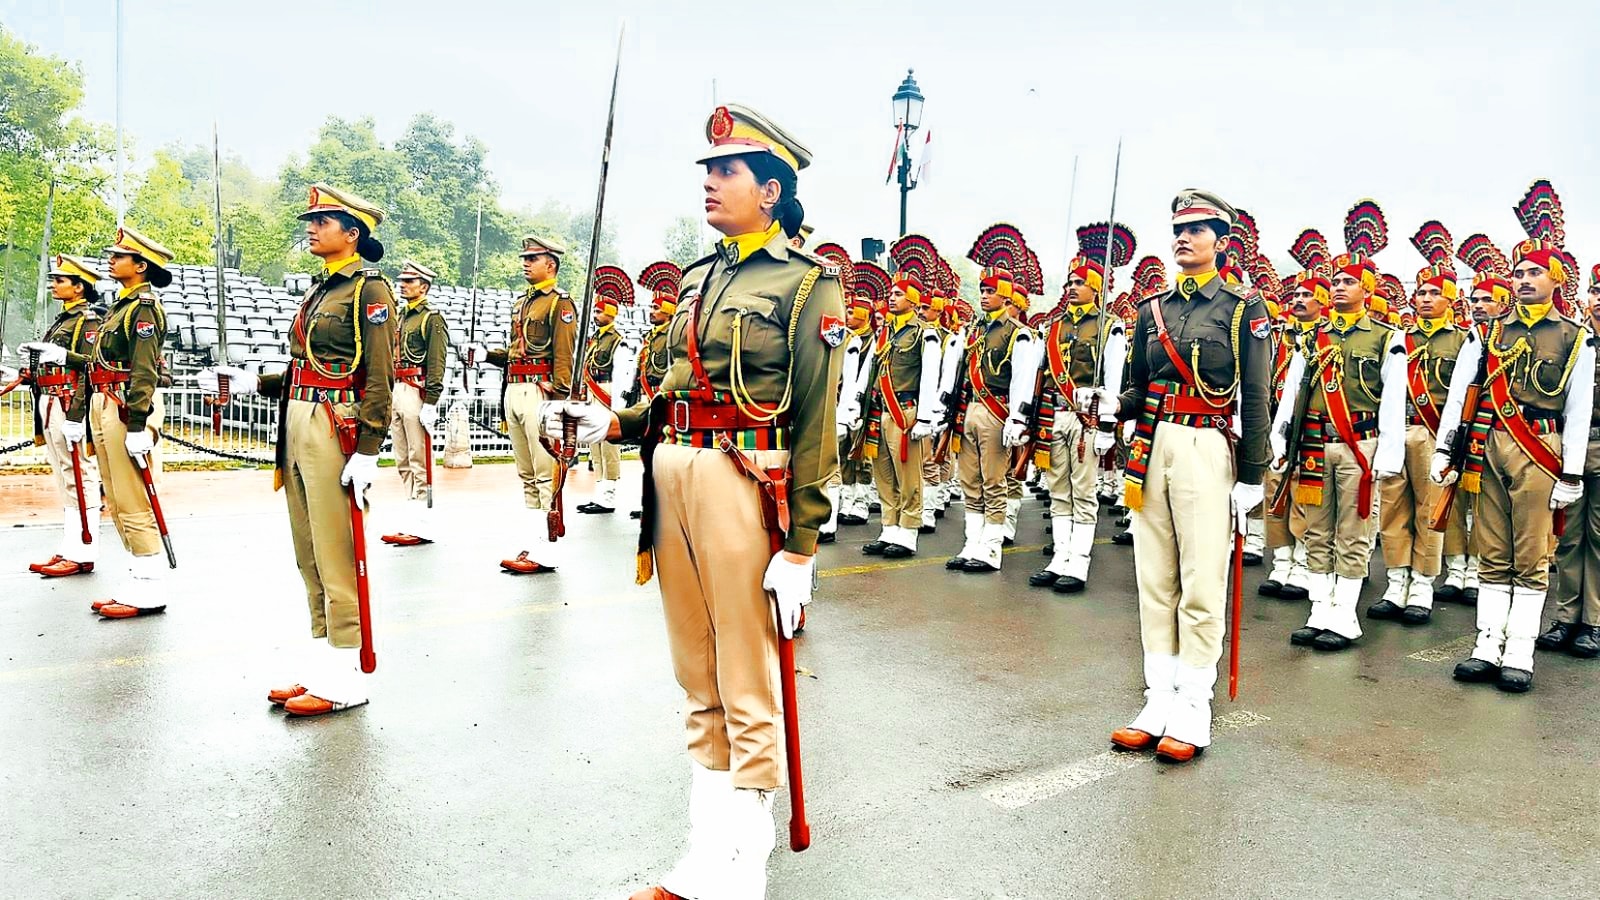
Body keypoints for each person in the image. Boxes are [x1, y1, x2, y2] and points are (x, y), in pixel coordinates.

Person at [546, 103, 844, 900]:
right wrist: (613, 419)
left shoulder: (809, 286)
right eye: (709, 170)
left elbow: (815, 422)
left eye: (729, 171)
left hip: (741, 482)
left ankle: (745, 862)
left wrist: (802, 546)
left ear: (772, 192)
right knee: (696, 672)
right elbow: (675, 389)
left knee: (745, 675)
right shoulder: (698, 278)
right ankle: (705, 850)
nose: (711, 182)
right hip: (671, 470)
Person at [201, 184, 396, 714]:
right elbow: (304, 365)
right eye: (310, 220)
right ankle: (324, 665)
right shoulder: (321, 289)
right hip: (299, 417)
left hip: (335, 425)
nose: (310, 228)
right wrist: (255, 383)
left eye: (322, 220)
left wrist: (370, 448)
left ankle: (348, 677)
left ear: (352, 232)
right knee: (308, 552)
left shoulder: (368, 291)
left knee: (335, 552)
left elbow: (379, 374)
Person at [1091, 189, 1269, 762]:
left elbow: (1258, 398)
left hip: (1205, 446)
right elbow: (1138, 382)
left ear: (1222, 242)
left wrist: (1251, 474)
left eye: (1196, 228)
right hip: (1152, 444)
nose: (1183, 237)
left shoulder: (1243, 309)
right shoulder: (1151, 310)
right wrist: (1111, 408)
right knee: (1154, 577)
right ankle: (1157, 698)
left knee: (1200, 578)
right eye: (1178, 228)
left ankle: (1194, 704)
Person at [1438, 180, 1594, 692]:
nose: (1524, 279)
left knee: (1531, 556)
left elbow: (1576, 406)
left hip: (1540, 452)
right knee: (1492, 551)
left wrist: (1571, 471)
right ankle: (1487, 646)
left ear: (1554, 281)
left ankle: (1519, 653)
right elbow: (1464, 391)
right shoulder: (1488, 332)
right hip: (1487, 446)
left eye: (1534, 273)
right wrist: (1446, 448)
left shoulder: (1575, 337)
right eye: (1519, 272)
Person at [1272, 204, 1405, 652]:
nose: (1339, 287)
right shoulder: (1313, 336)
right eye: (1335, 282)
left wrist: (1388, 457)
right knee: (1317, 529)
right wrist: (1279, 436)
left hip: (1359, 446)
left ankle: (1345, 616)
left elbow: (1393, 400)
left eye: (1348, 281)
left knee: (1354, 532)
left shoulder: (1387, 337)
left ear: (1366, 291)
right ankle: (1319, 609)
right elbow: (1292, 388)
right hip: (1312, 443)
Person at [1369, 223, 1468, 625]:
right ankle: (1396, 582)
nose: (1425, 298)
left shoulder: (1463, 340)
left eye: (1434, 293)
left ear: (1450, 299)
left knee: (1431, 510)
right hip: (1398, 429)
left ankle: (1423, 586)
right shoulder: (1400, 340)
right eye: (1421, 292)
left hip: (1432, 432)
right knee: (1393, 507)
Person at [1028, 223, 1131, 593]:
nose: (1071, 288)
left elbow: (1115, 380)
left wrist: (1107, 426)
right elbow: (1041, 374)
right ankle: (1059, 556)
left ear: (1096, 288)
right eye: (1069, 282)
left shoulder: (1110, 326)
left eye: (1079, 282)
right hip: (1056, 415)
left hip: (1087, 418)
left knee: (1083, 490)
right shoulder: (1053, 327)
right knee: (1059, 487)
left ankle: (1079, 561)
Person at [81, 228, 175, 618]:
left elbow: (143, 371)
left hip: (126, 405)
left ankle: (151, 585)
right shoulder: (120, 307)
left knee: (133, 496)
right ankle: (137, 577)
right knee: (117, 499)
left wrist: (138, 423)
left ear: (140, 266)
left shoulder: (143, 309)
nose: (111, 259)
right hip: (107, 401)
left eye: (120, 256)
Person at [949, 224, 1040, 573]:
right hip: (972, 408)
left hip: (996, 411)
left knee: (994, 481)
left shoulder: (1018, 333)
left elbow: (1021, 379)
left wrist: (1017, 419)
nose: (983, 295)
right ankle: (972, 542)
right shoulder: (977, 329)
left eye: (990, 291)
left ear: (1006, 298)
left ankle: (991, 548)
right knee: (969, 480)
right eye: (982, 290)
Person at [491, 235, 578, 574]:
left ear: (550, 264)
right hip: (515, 387)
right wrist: (488, 355)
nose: (525, 262)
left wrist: (560, 399)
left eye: (533, 258)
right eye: (525, 257)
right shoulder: (523, 303)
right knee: (526, 473)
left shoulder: (560, 303)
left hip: (540, 392)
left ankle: (550, 546)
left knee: (545, 472)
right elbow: (517, 351)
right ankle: (532, 542)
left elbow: (563, 355)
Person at [859, 236, 944, 558]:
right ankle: (889, 527)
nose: (891, 298)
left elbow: (930, 377)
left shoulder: (925, 333)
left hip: (905, 413)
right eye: (891, 293)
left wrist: (925, 417)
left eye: (898, 294)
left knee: (909, 476)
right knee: (883, 473)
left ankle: (908, 532)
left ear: (912, 299)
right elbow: (870, 373)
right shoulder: (886, 331)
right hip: (881, 412)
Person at [19, 254, 103, 578]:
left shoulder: (87, 321)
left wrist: (77, 415)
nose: (54, 284)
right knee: (64, 475)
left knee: (80, 474)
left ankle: (85, 549)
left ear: (79, 287)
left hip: (70, 403)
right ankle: (71, 546)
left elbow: (92, 367)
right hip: (51, 399)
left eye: (61, 280)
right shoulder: (64, 319)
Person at [1539, 263, 1600, 658]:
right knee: (1569, 535)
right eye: (1596, 292)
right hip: (1572, 447)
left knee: (1598, 538)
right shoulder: (1575, 340)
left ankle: (1593, 622)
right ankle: (1566, 617)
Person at [381, 260, 448, 546]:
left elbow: (436, 363)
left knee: (419, 458)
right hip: (397, 388)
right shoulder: (402, 316)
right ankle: (411, 513)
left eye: (410, 281)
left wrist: (431, 401)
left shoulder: (430, 318)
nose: (403, 284)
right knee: (403, 458)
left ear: (424, 286)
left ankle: (423, 520)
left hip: (416, 390)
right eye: (402, 280)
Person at [575, 265, 636, 515]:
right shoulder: (595, 339)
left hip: (608, 392)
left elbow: (621, 374)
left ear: (611, 314)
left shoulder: (617, 340)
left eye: (600, 311)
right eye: (596, 310)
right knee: (595, 446)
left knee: (609, 446)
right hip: (593, 394)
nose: (596, 315)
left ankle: (608, 498)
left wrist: (617, 406)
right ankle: (599, 494)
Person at [630, 261, 682, 521]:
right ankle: (650, 500)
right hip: (648, 396)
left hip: (663, 400)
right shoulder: (650, 337)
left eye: (656, 307)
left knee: (661, 455)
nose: (651, 311)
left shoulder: (673, 336)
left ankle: (662, 504)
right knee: (648, 453)